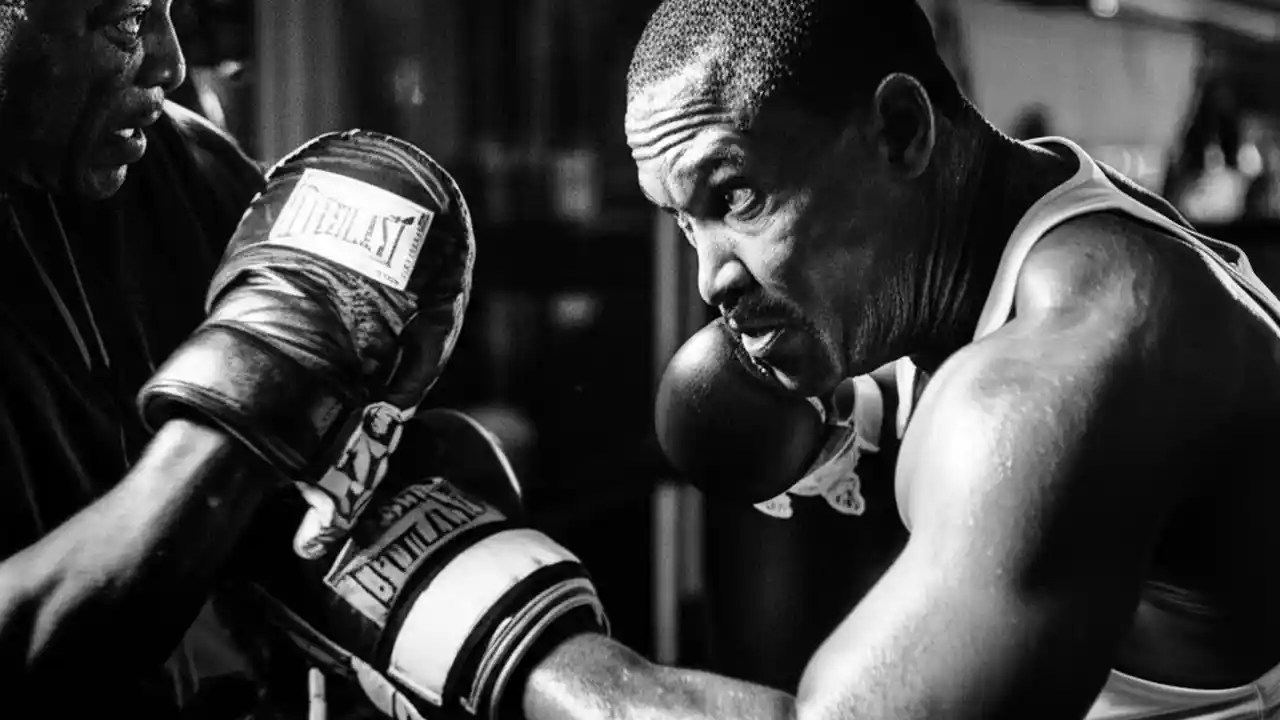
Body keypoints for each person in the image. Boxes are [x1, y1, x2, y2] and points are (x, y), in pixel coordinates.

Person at [510, 1, 1280, 719]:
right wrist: (867, 410)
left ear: (902, 130)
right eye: (686, 223)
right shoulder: (1017, 216)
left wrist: (496, 621)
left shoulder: (1061, 368)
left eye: (737, 196)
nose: (711, 278)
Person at [0, 3, 477, 718]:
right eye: (126, 21)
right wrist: (241, 414)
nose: (171, 65)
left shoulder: (176, 168)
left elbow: (320, 510)